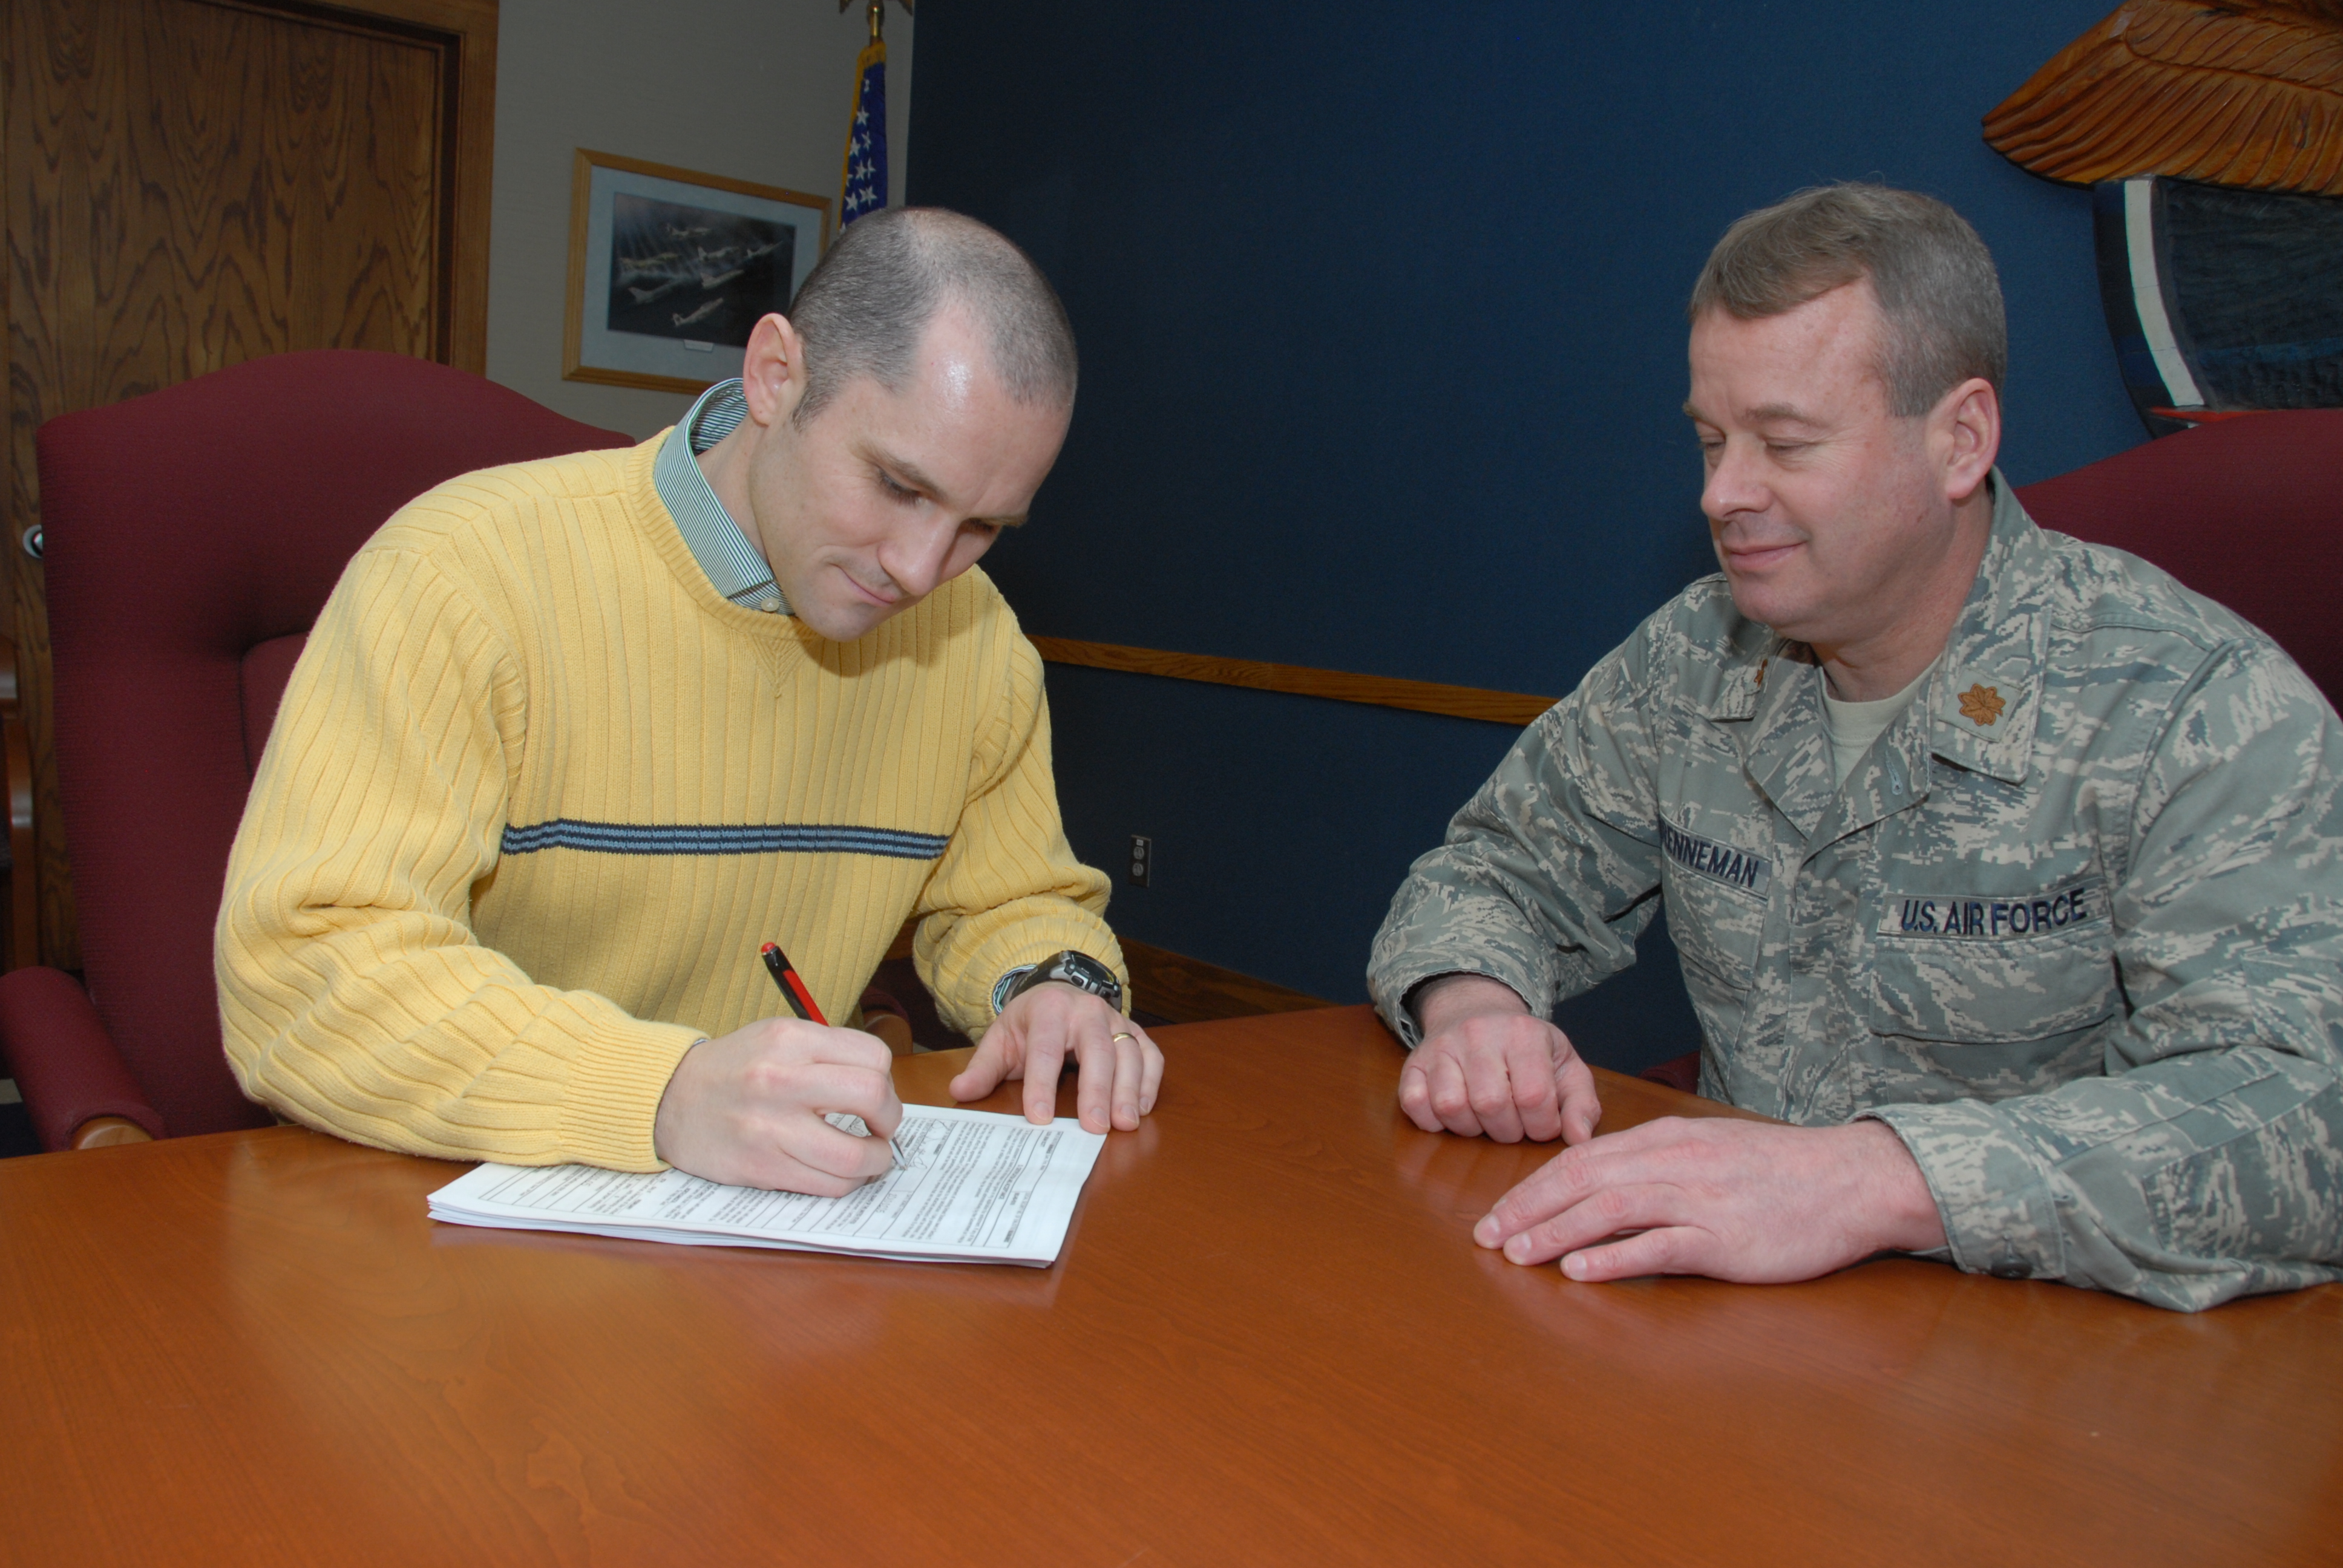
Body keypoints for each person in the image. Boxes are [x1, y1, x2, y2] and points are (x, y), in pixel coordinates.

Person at [1367, 183, 2343, 1311]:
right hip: (1734, 1318)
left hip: (2053, 1342)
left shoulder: (2191, 701)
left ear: (1960, 440)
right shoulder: (1697, 658)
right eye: (1711, 439)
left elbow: (2305, 1113)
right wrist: (1476, 1009)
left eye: (1785, 443)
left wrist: (1879, 1181)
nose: (1723, 494)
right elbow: (1495, 870)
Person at [218, 207, 1161, 1196]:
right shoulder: (461, 576)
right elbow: (306, 971)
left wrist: (1056, 982)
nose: (922, 570)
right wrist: (660, 1092)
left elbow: (1011, 900)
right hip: (441, 1203)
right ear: (775, 375)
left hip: (777, 1216)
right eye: (897, 486)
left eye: (983, 526)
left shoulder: (974, 640)